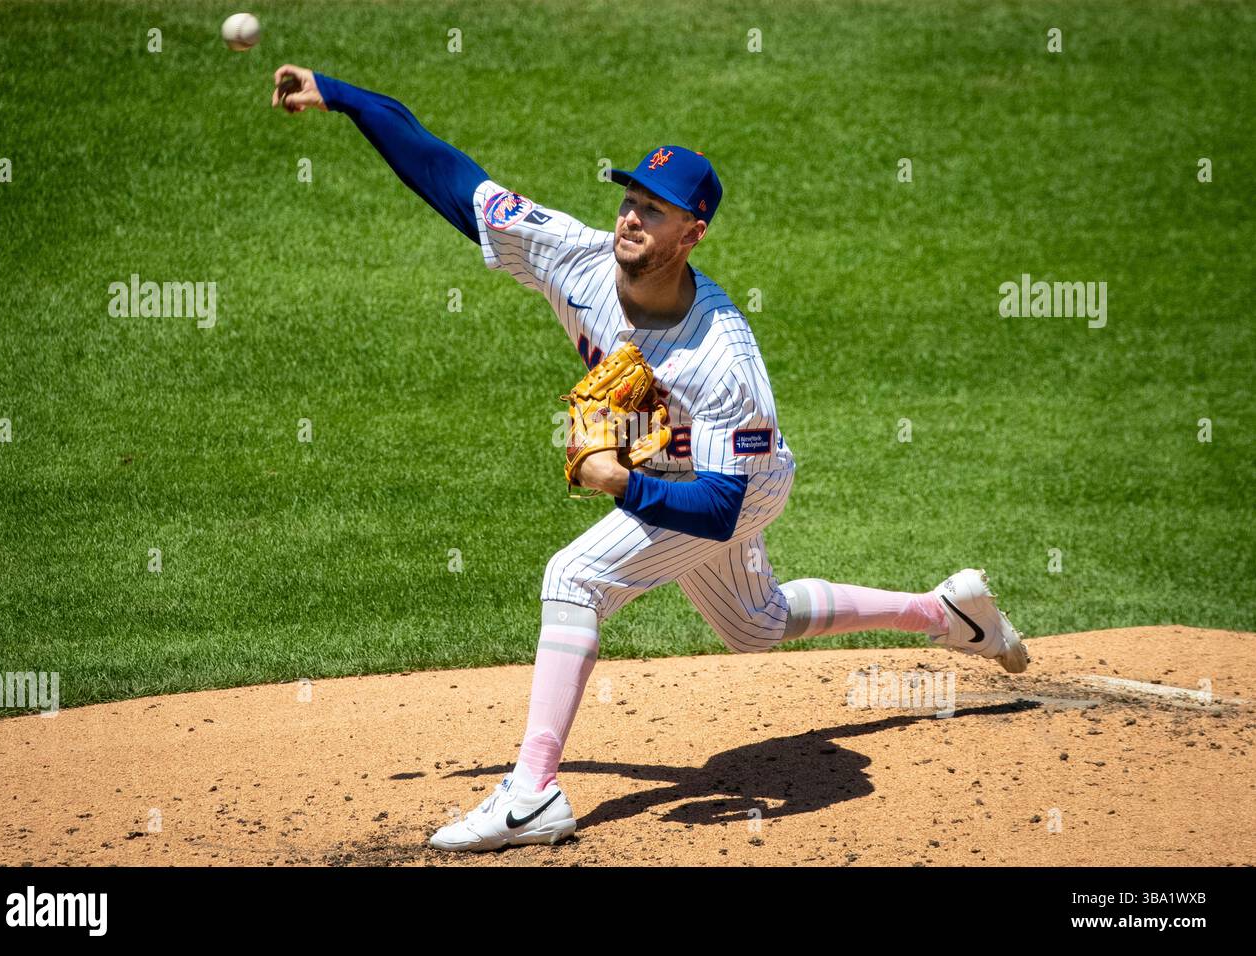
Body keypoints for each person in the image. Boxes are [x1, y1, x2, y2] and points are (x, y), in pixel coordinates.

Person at [271, 65, 1030, 853]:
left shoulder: (722, 358)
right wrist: (344, 95)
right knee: (753, 624)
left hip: (738, 483)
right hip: (676, 470)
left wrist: (622, 482)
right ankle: (947, 613)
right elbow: (450, 174)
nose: (630, 218)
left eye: (653, 210)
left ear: (691, 234)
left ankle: (532, 796)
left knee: (574, 577)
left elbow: (722, 509)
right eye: (629, 198)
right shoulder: (573, 255)